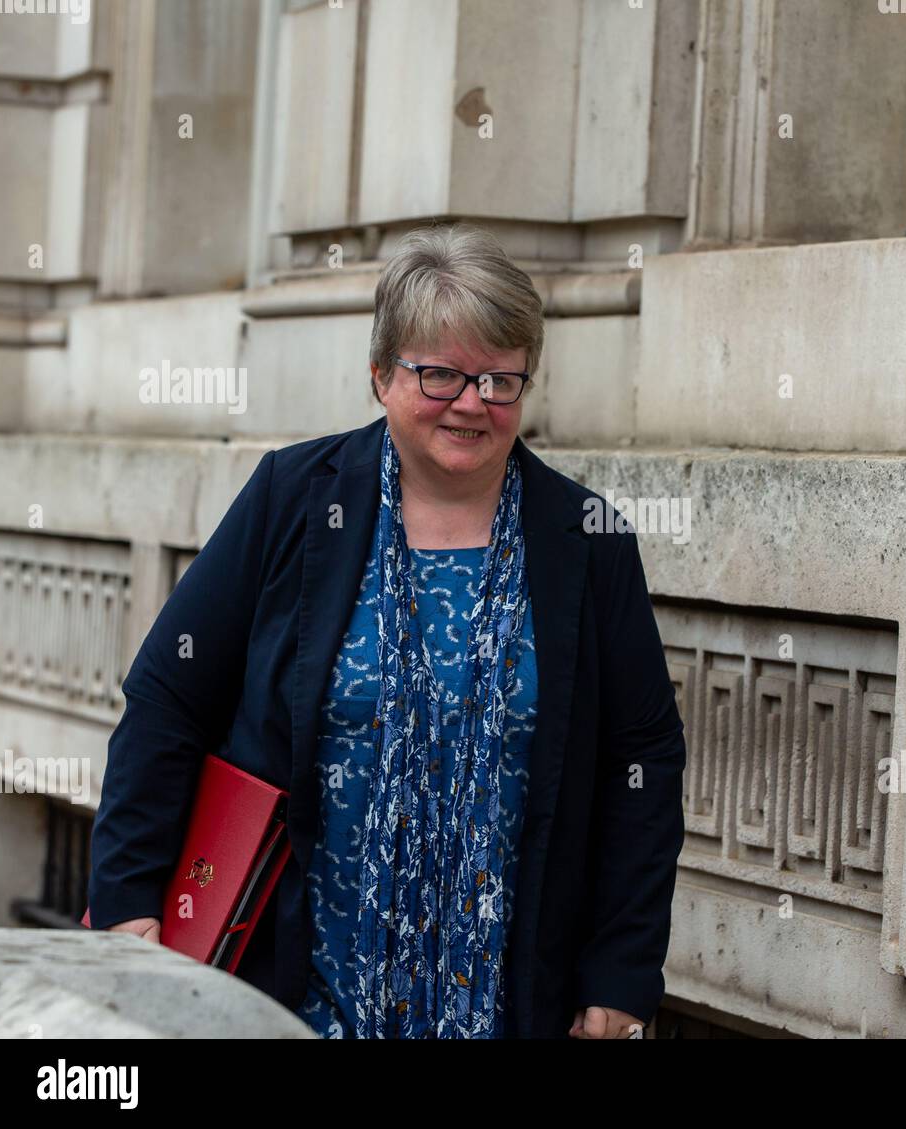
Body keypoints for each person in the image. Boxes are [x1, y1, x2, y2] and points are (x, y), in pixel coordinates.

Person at [86, 221, 686, 1039]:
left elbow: (641, 757)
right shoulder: (293, 499)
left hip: (512, 1004)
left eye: (500, 380)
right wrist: (127, 903)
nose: (472, 402)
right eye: (440, 373)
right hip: (295, 991)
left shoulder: (588, 538)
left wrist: (622, 968)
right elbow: (167, 696)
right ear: (379, 374)